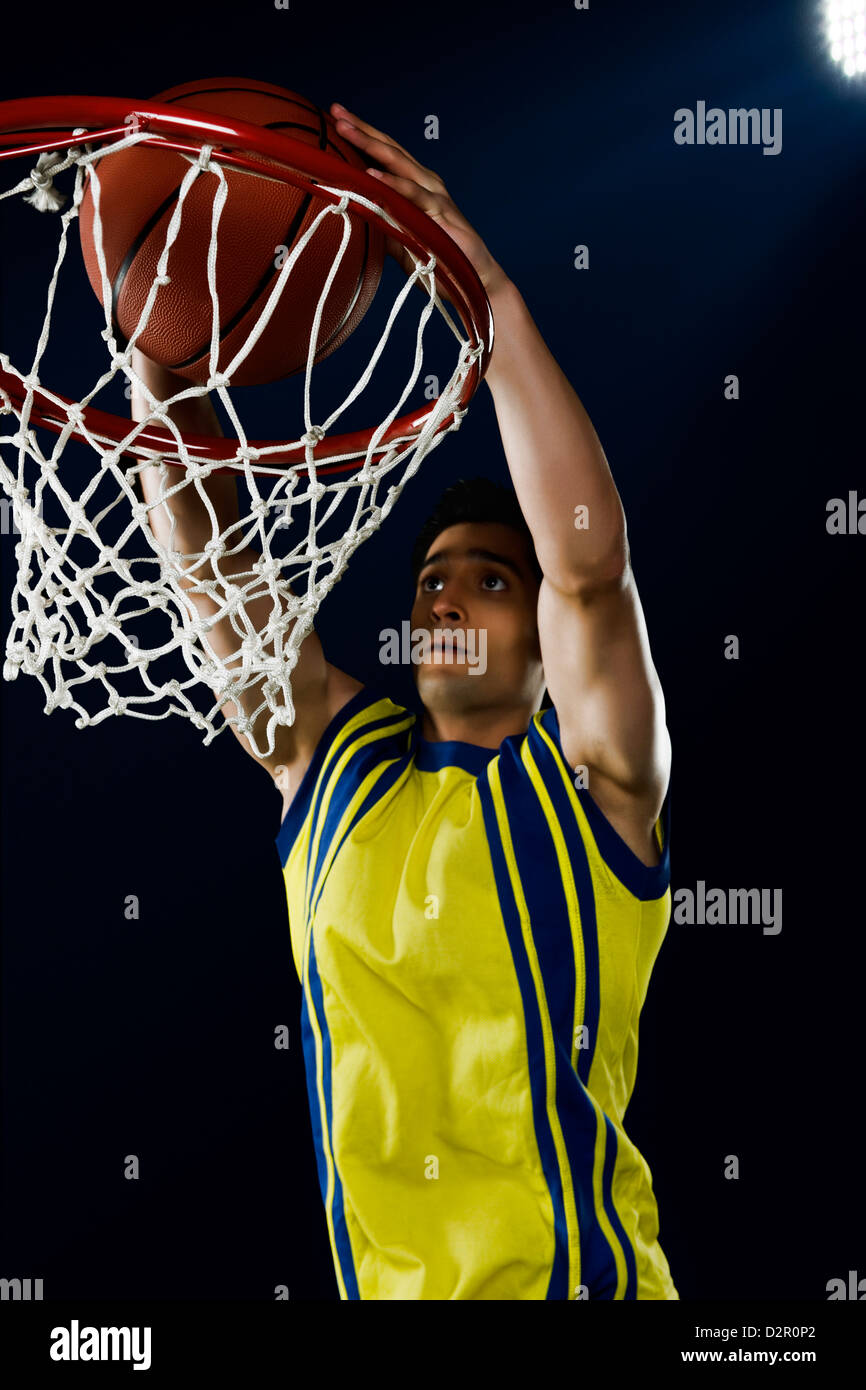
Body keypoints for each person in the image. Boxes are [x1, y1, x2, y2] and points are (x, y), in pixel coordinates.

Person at [130, 100, 677, 1300]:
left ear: (537, 634)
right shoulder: (335, 765)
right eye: (432, 577)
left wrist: (486, 295)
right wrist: (159, 356)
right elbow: (222, 576)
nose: (448, 597)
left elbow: (588, 568)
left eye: (489, 580)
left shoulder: (589, 785)